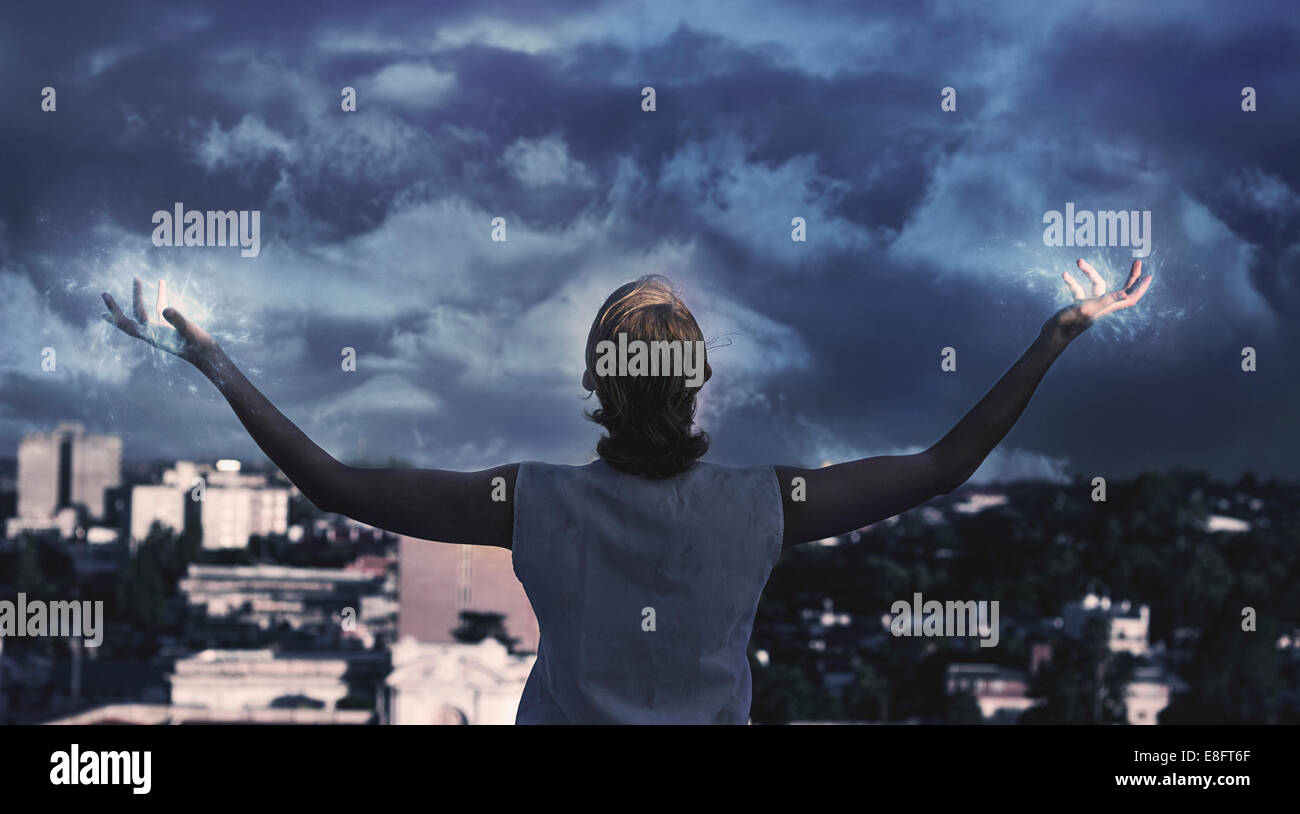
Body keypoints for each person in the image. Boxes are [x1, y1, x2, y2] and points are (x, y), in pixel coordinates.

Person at [103, 258, 1151, 724]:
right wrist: (1055, 335)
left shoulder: (530, 500)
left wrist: (208, 360)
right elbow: (943, 465)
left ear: (596, 385)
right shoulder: (765, 504)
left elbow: (328, 482)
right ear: (698, 386)